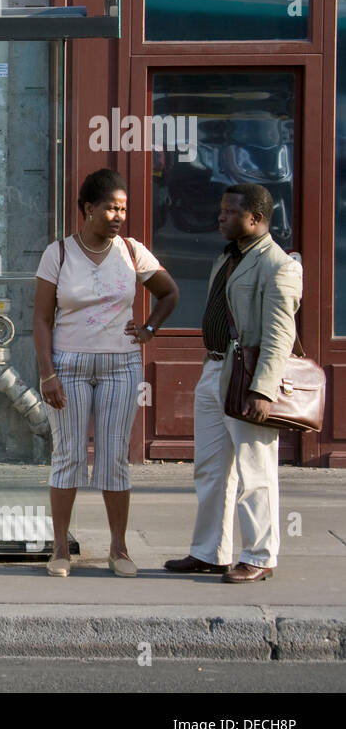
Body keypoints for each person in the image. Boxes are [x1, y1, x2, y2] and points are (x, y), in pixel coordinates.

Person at [34, 169, 179, 577]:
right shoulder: (58, 253)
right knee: (68, 456)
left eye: (123, 208)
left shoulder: (132, 252)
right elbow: (42, 319)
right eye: (111, 207)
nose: (118, 215)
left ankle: (120, 549)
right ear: (87, 208)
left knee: (115, 457)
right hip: (69, 366)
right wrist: (47, 374)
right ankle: (60, 549)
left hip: (121, 366)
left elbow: (170, 292)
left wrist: (149, 329)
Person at [165, 184, 301, 583]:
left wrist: (263, 389)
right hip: (214, 370)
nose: (220, 217)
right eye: (221, 210)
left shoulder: (278, 265)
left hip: (247, 377)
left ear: (255, 219)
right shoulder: (228, 256)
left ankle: (259, 555)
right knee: (210, 469)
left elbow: (280, 334)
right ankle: (210, 552)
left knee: (255, 471)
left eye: (229, 212)